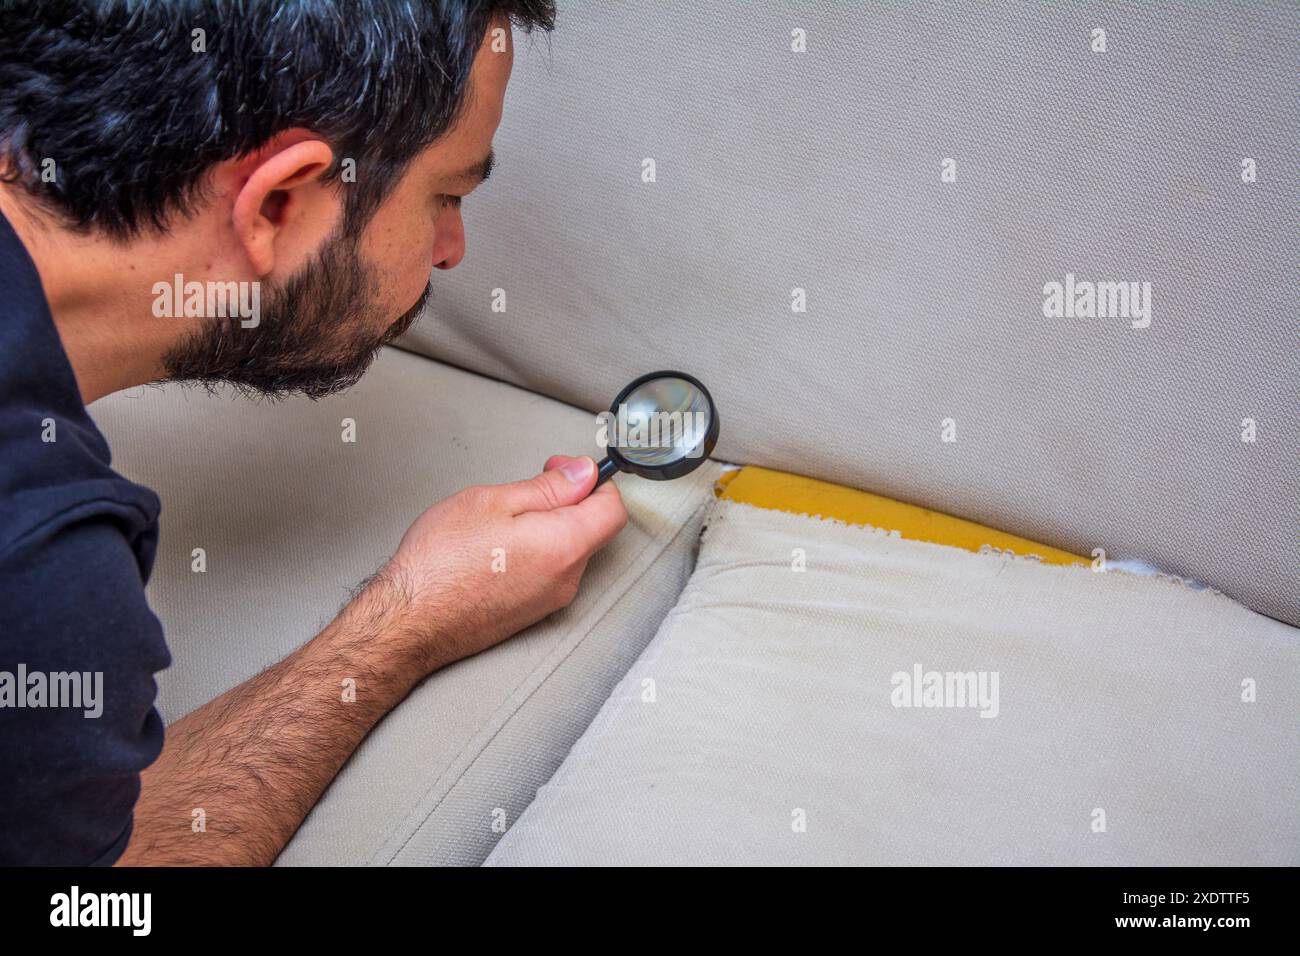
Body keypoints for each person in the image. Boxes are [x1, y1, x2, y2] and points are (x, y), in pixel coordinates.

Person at [0, 0, 626, 866]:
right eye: (445, 195)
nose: (451, 249)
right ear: (278, 201)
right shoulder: (44, 580)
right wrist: (401, 625)